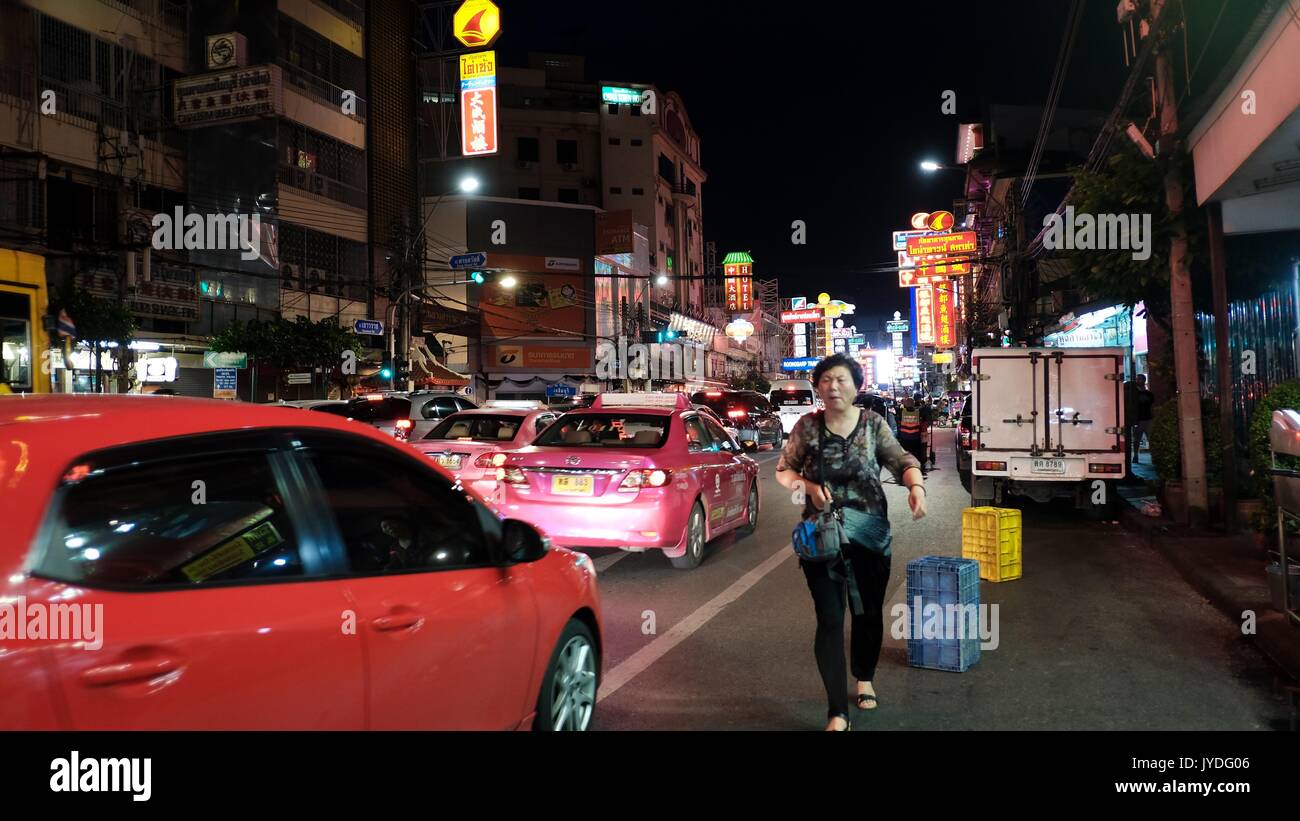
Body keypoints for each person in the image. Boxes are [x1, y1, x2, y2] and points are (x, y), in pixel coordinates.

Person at [775, 354, 927, 731]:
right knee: (829, 618)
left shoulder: (873, 425)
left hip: (869, 535)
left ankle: (864, 676)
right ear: (818, 386)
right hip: (820, 537)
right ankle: (836, 711)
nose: (832, 386)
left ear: (856, 385)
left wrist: (916, 487)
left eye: (841, 379)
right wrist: (807, 486)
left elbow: (900, 459)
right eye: (825, 380)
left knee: (868, 613)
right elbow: (784, 472)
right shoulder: (806, 427)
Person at [897, 393, 928, 476]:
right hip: (915, 438)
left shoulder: (901, 412)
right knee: (918, 455)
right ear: (914, 404)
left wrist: (902, 402)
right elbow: (925, 409)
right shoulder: (918, 412)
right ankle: (919, 470)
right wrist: (923, 403)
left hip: (904, 439)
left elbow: (897, 407)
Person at [1129, 373, 1155, 465]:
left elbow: (1152, 405)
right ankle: (1135, 455)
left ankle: (1154, 457)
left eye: (1139, 379)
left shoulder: (1149, 394)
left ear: (1144, 381)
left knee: (1151, 439)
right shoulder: (1134, 394)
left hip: (1148, 419)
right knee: (1136, 440)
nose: (1137, 381)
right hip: (1138, 420)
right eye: (1137, 379)